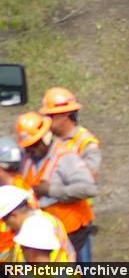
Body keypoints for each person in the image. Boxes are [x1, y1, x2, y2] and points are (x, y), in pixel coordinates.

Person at [15, 112, 95, 262]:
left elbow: (88, 188)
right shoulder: (26, 158)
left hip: (72, 230)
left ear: (45, 137)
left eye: (35, 145)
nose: (31, 150)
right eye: (28, 146)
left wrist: (51, 190)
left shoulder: (65, 157)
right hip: (43, 232)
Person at [0, 185, 74, 264]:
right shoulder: (46, 219)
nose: (7, 225)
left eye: (5, 220)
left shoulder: (36, 228)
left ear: (14, 215)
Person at [40, 88, 101, 181]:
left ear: (65, 114)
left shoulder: (86, 142)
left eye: (51, 115)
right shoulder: (47, 138)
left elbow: (89, 177)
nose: (46, 120)